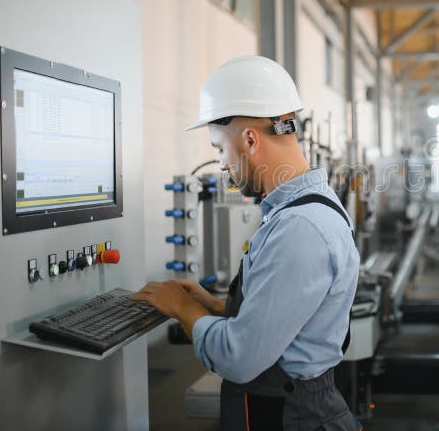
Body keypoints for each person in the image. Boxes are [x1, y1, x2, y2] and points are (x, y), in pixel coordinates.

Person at [133, 56, 361, 430]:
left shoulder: (299, 227)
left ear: (250, 139)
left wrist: (182, 310)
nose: (221, 164)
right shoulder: (299, 211)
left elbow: (239, 357)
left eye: (220, 148)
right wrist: (214, 306)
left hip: (292, 418)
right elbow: (285, 323)